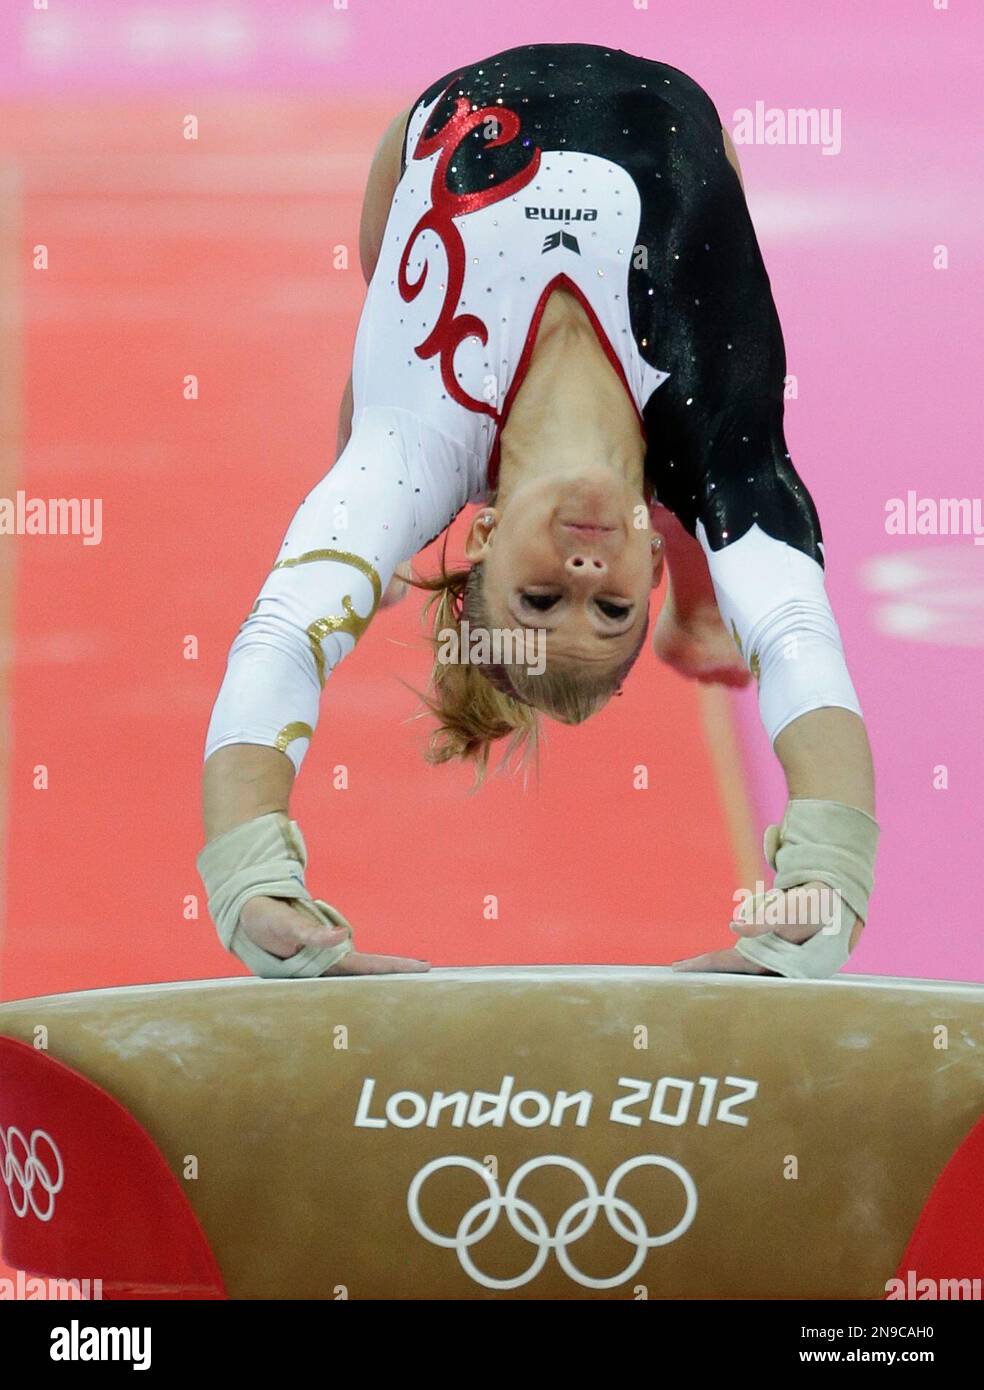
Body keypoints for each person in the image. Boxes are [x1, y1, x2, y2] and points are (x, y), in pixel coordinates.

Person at [198, 43, 878, 982]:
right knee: (725, 507)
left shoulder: (421, 436)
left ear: (480, 536)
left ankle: (385, 542)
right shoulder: (722, 437)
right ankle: (703, 601)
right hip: (689, 133)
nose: (585, 580)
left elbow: (278, 637)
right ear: (636, 570)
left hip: (424, 147)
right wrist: (828, 879)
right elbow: (803, 639)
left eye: (538, 600)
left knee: (374, 448)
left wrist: (246, 875)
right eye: (609, 611)